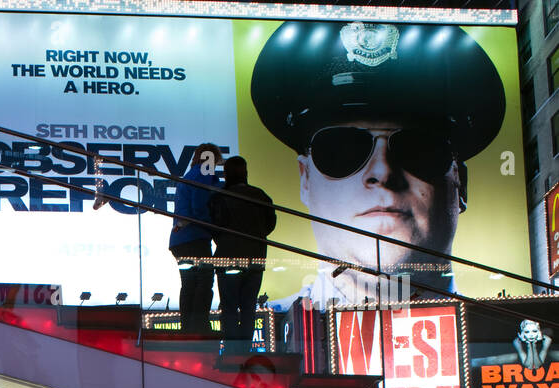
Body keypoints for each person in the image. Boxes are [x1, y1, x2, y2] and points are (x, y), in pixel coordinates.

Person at [250, 20, 505, 308]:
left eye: (418, 149)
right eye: (341, 150)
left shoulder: (496, 328)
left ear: (461, 185)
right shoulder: (280, 330)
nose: (382, 172)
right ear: (305, 179)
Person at [209, 156, 276, 354]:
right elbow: (270, 225)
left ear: (226, 174)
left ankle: (231, 352)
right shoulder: (260, 196)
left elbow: (214, 225)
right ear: (246, 173)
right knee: (248, 307)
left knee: (229, 306)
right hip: (255, 258)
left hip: (227, 258)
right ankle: (245, 352)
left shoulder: (219, 197)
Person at [168, 144, 222, 332]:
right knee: (204, 281)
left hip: (180, 240)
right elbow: (199, 206)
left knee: (189, 284)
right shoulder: (203, 174)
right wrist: (214, 228)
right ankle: (199, 326)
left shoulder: (189, 176)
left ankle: (187, 327)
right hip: (196, 236)